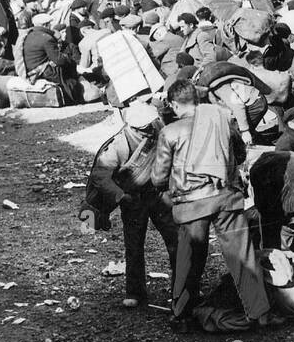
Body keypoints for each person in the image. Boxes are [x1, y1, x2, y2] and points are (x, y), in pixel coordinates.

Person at [150, 79, 272, 328]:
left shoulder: (170, 132)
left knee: (190, 259)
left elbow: (158, 177)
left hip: (191, 204)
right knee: (242, 256)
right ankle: (260, 312)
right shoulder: (222, 119)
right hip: (226, 197)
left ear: (174, 105)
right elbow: (239, 154)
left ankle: (181, 314)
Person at [85, 101, 179, 307]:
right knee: (134, 245)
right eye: (145, 127)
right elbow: (100, 177)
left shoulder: (157, 127)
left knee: (175, 238)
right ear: (135, 127)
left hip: (157, 193)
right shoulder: (118, 145)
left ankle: (181, 288)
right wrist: (120, 196)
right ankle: (135, 292)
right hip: (133, 198)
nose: (149, 130)